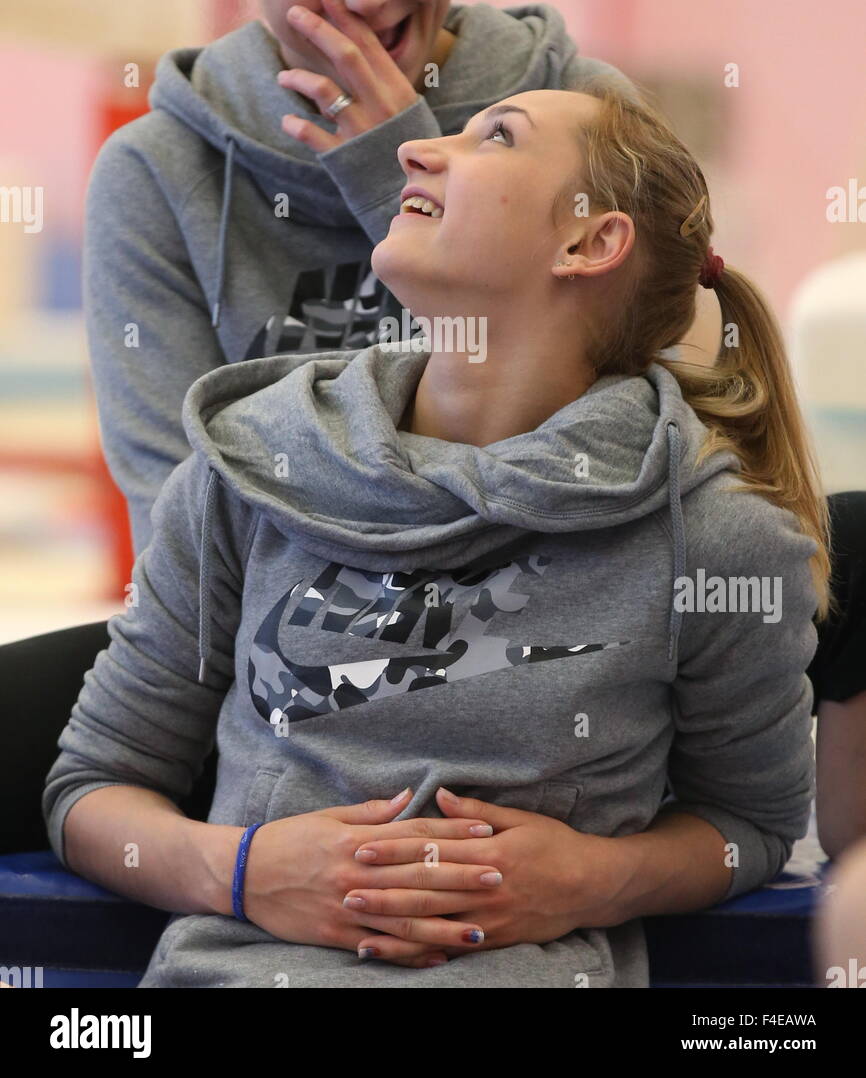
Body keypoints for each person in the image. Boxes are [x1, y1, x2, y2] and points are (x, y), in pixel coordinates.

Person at [43, 83, 830, 988]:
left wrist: (596, 880)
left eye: (495, 137)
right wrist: (245, 871)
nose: (416, 151)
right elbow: (88, 793)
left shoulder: (718, 538)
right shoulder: (250, 472)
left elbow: (754, 829)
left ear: (589, 240)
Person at [84, 0, 643, 556]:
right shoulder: (157, 174)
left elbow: (628, 452)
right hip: (280, 659)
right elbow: (184, 539)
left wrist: (403, 184)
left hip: (545, 636)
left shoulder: (588, 114)